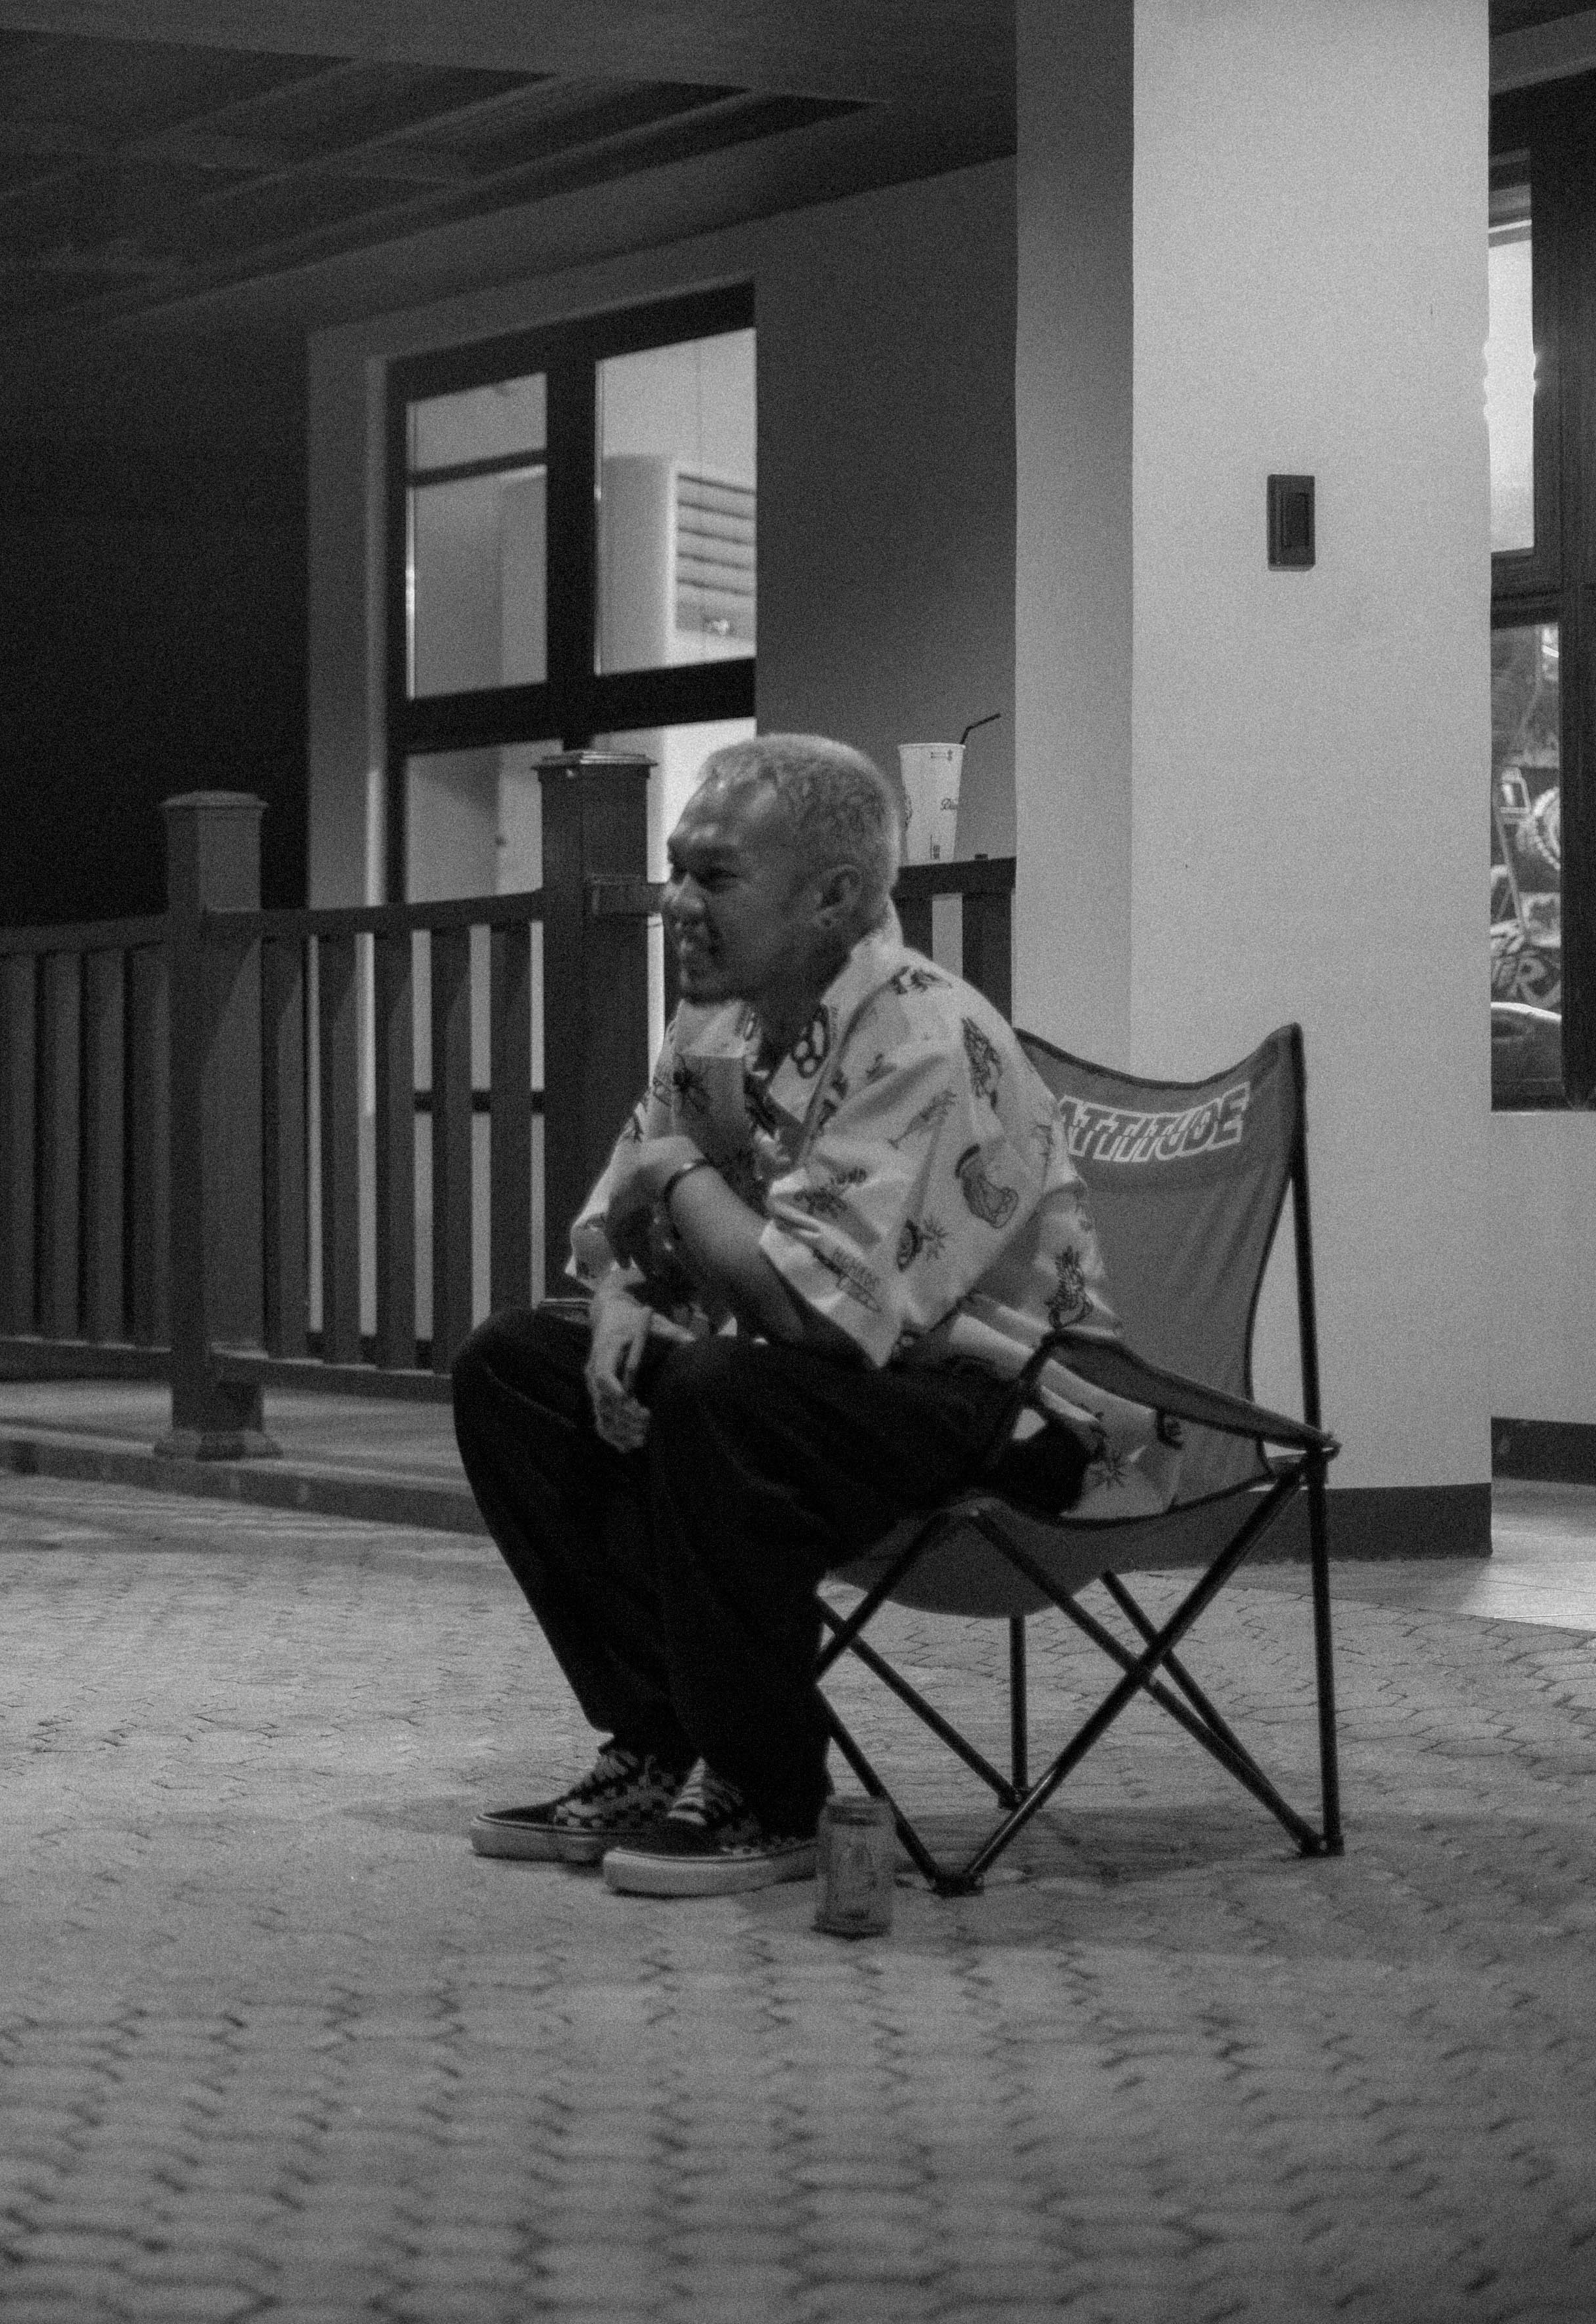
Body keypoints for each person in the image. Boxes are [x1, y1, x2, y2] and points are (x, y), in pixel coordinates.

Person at [451, 734, 1146, 1898]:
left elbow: (805, 1309)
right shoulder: (714, 1025)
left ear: (830, 898)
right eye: (678, 869)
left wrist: (674, 1172)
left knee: (730, 1396)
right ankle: (657, 1735)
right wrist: (624, 1295)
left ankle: (767, 1788)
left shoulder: (927, 1036)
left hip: (1020, 1408)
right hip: (814, 1388)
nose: (677, 901)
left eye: (714, 876)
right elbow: (615, 1225)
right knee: (513, 1366)